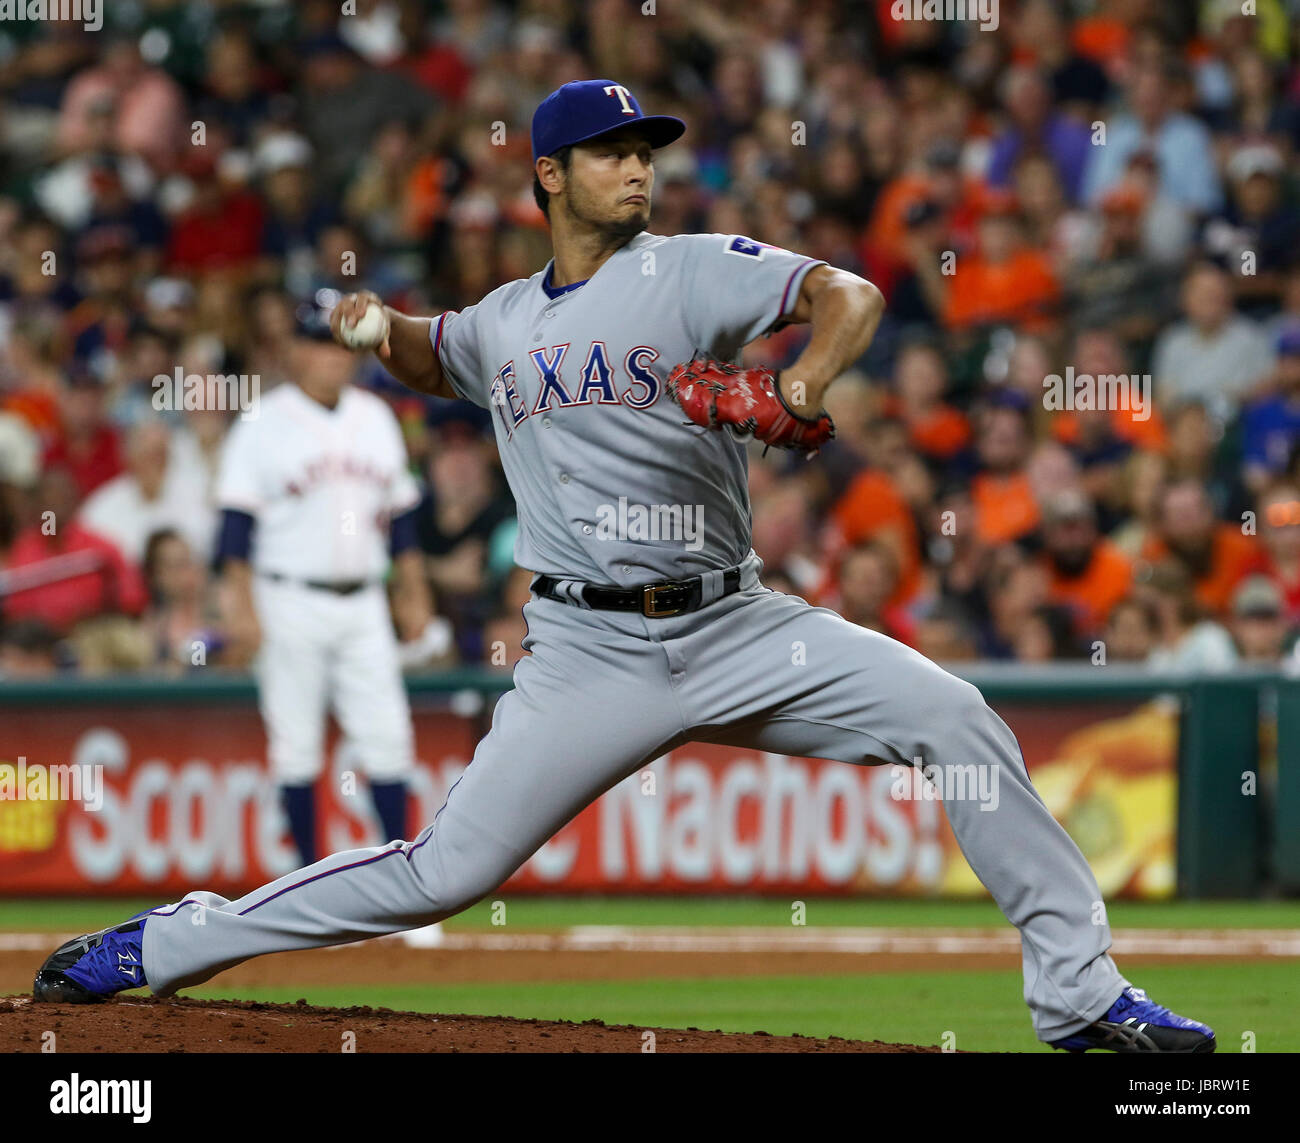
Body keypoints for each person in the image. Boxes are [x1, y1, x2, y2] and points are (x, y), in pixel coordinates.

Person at [35, 80, 1212, 1053]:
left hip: (740, 625)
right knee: (441, 871)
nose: (636, 169)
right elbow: (428, 351)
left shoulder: (690, 268)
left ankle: (1079, 996)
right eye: (608, 153)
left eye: (644, 150)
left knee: (954, 717)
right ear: (549, 174)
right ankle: (168, 942)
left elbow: (843, 294)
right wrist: (370, 330)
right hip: (586, 654)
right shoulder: (501, 319)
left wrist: (801, 382)